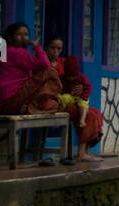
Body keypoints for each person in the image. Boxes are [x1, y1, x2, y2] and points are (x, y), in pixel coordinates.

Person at [44, 34, 106, 163]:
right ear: (46, 48)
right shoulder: (42, 63)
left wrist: (81, 89)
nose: (56, 52)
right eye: (52, 48)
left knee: (97, 113)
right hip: (56, 101)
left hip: (71, 99)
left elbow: (76, 80)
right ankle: (81, 153)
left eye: (59, 49)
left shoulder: (64, 63)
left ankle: (87, 150)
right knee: (90, 116)